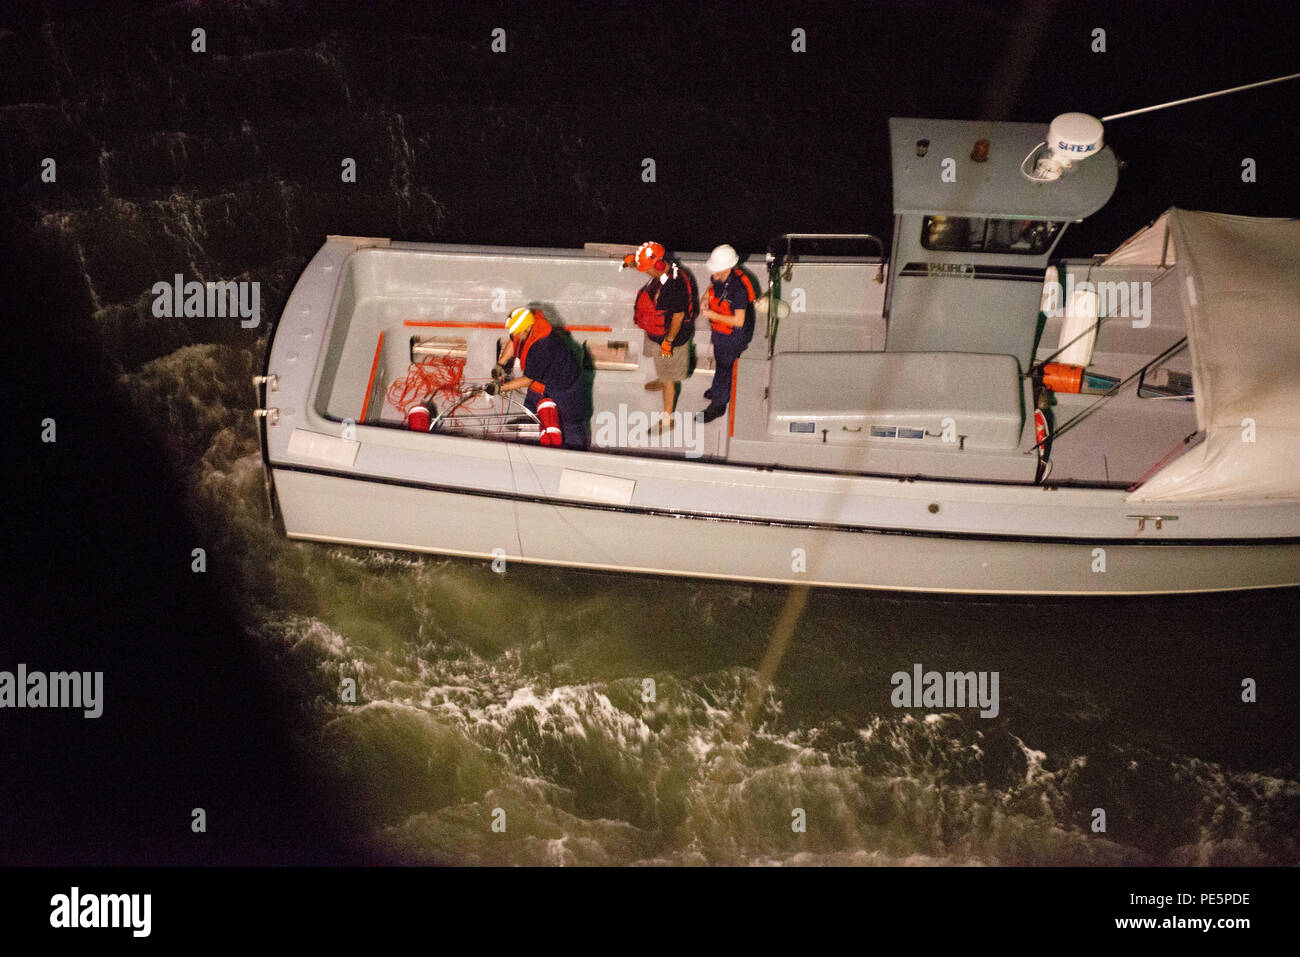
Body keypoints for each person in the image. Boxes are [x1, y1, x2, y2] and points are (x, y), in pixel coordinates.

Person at [489, 306, 590, 449]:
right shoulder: (524, 329)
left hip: (564, 388)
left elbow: (528, 379)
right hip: (539, 386)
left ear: (528, 328)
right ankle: (534, 450)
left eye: (518, 333)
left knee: (571, 425)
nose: (516, 336)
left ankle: (576, 458)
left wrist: (500, 388)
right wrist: (500, 364)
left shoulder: (543, 346)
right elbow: (513, 341)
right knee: (532, 419)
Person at [622, 240, 697, 431]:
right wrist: (632, 263)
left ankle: (667, 419)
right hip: (656, 332)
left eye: (646, 269)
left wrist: (669, 342)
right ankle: (662, 378)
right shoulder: (663, 270)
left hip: (671, 339)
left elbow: (679, 316)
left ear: (657, 265)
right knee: (660, 365)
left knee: (669, 378)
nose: (645, 272)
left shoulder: (674, 287)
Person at [699, 244, 756, 423]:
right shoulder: (719, 277)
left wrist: (712, 314)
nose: (713, 274)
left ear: (727, 268)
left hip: (733, 337)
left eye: (716, 270)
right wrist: (704, 301)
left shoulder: (738, 289)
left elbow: (739, 321)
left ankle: (718, 404)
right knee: (721, 362)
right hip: (720, 332)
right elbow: (709, 292)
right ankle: (718, 389)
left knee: (725, 367)